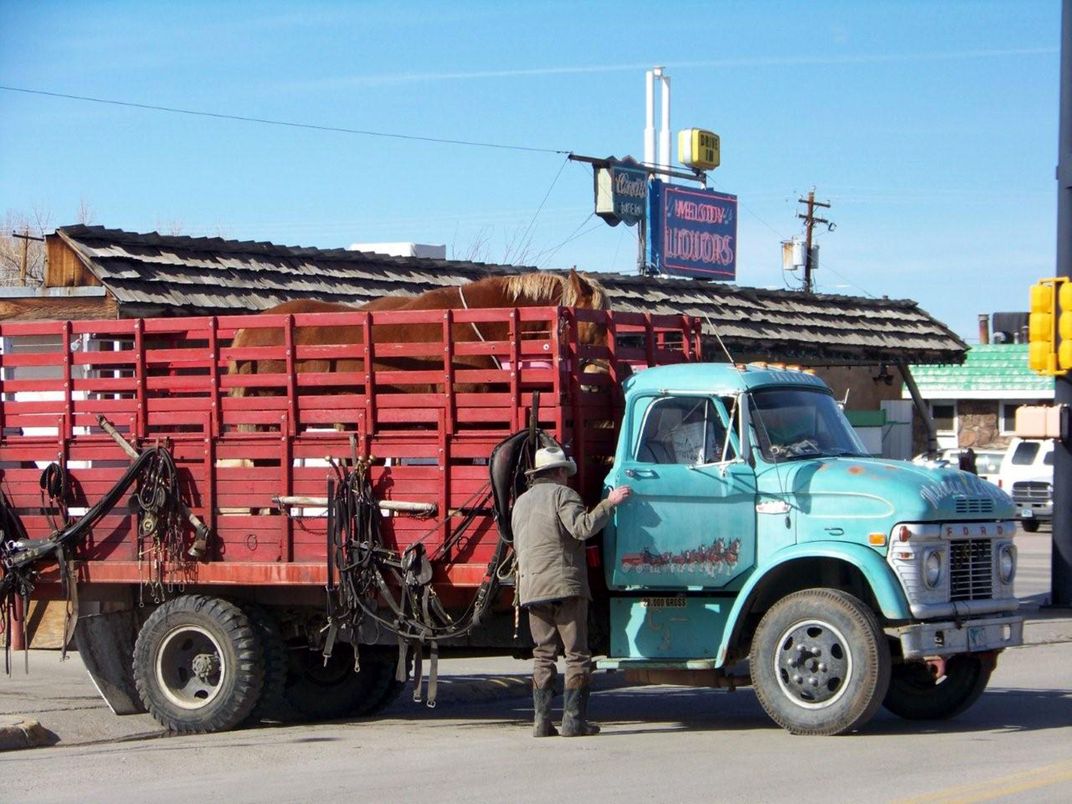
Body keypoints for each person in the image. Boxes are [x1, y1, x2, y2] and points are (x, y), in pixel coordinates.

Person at [511, 446, 631, 738]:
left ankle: (541, 722)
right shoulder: (564, 495)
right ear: (560, 472)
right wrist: (609, 503)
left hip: (531, 588)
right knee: (576, 654)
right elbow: (582, 528)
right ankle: (573, 721)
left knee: (543, 654)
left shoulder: (521, 503)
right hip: (565, 586)